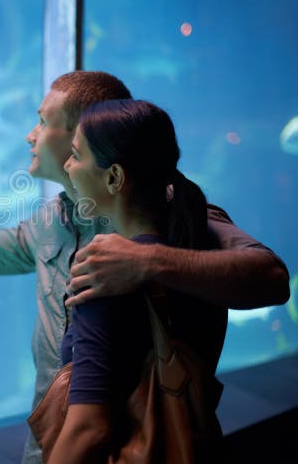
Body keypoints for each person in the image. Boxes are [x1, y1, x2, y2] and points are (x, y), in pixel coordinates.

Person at [0, 70, 289, 464]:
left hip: (151, 447)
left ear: (84, 132)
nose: (30, 135)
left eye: (43, 121)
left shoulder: (179, 216)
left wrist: (149, 260)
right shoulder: (50, 222)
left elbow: (271, 278)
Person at [49, 98, 228, 463]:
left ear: (114, 177)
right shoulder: (201, 255)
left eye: (76, 155)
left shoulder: (105, 276)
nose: (67, 167)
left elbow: (90, 429)